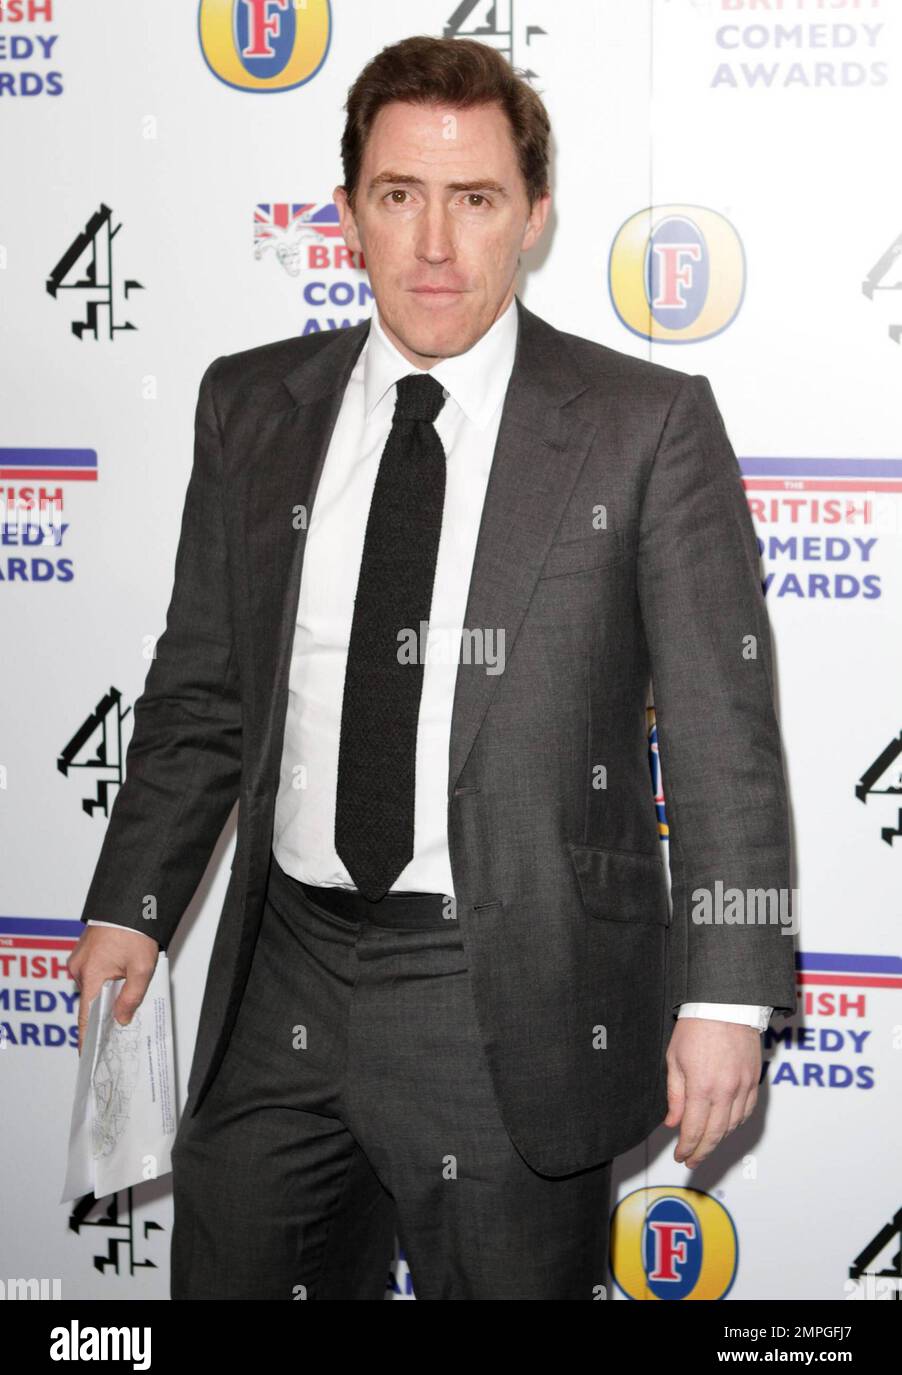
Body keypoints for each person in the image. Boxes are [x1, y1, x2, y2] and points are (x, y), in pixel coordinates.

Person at [68, 34, 797, 1300]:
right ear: (346, 212)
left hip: (504, 990)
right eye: (399, 196)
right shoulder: (251, 407)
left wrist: (728, 995)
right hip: (279, 966)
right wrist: (133, 901)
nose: (436, 246)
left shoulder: (642, 424)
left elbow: (722, 727)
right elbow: (202, 692)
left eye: (475, 201)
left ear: (535, 218)